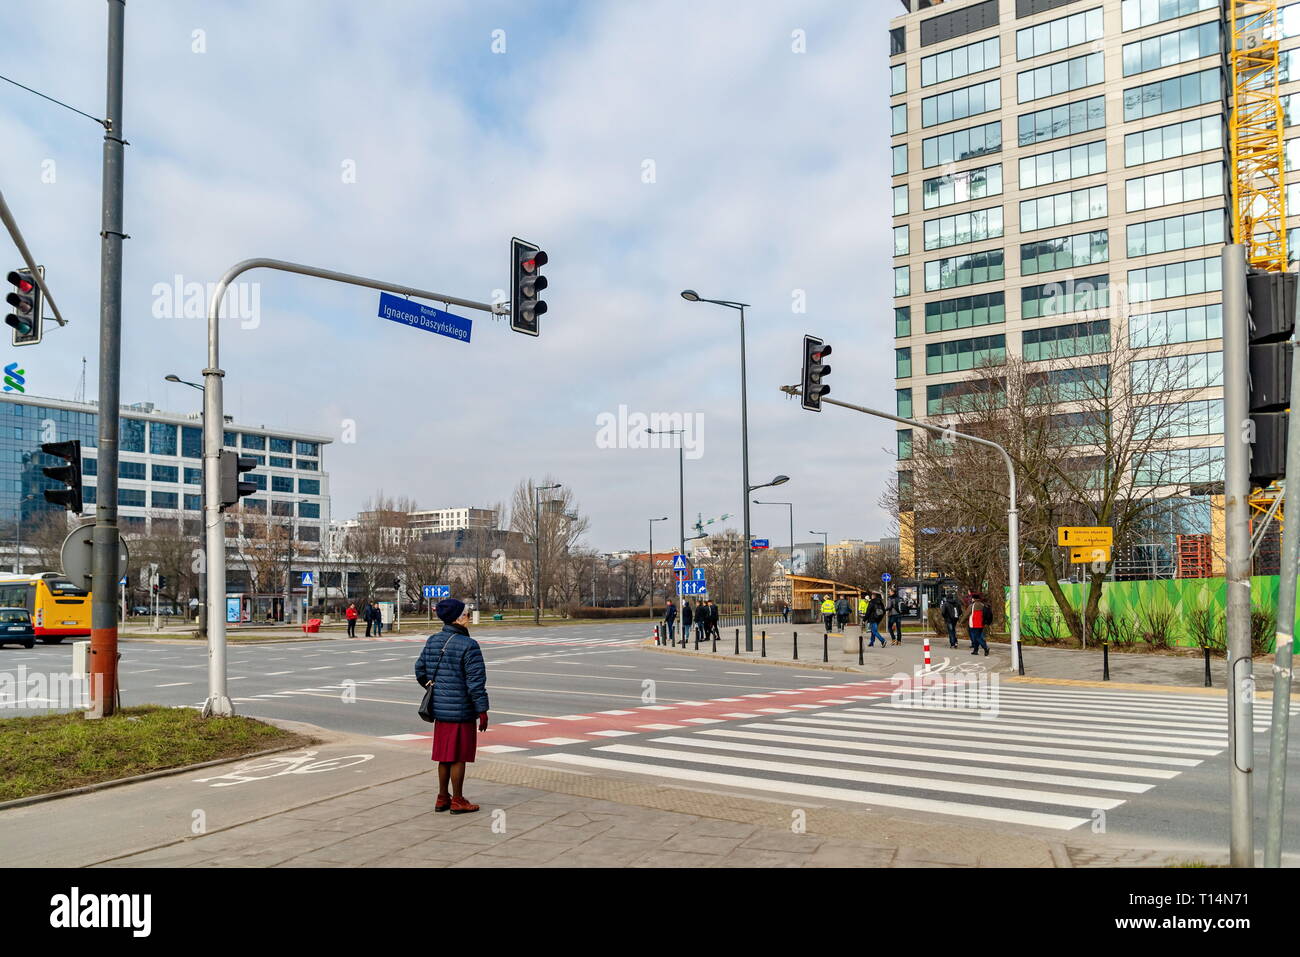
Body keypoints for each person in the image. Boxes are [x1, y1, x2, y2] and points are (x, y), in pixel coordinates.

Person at [415, 598, 490, 814]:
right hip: (462, 710)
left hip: (440, 709)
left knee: (444, 755)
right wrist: (482, 710)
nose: (468, 618)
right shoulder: (469, 645)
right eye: (466, 614)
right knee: (458, 756)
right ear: (458, 618)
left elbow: (420, 669)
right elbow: (476, 683)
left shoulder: (433, 640)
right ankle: (457, 799)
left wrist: (432, 687)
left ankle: (441, 797)